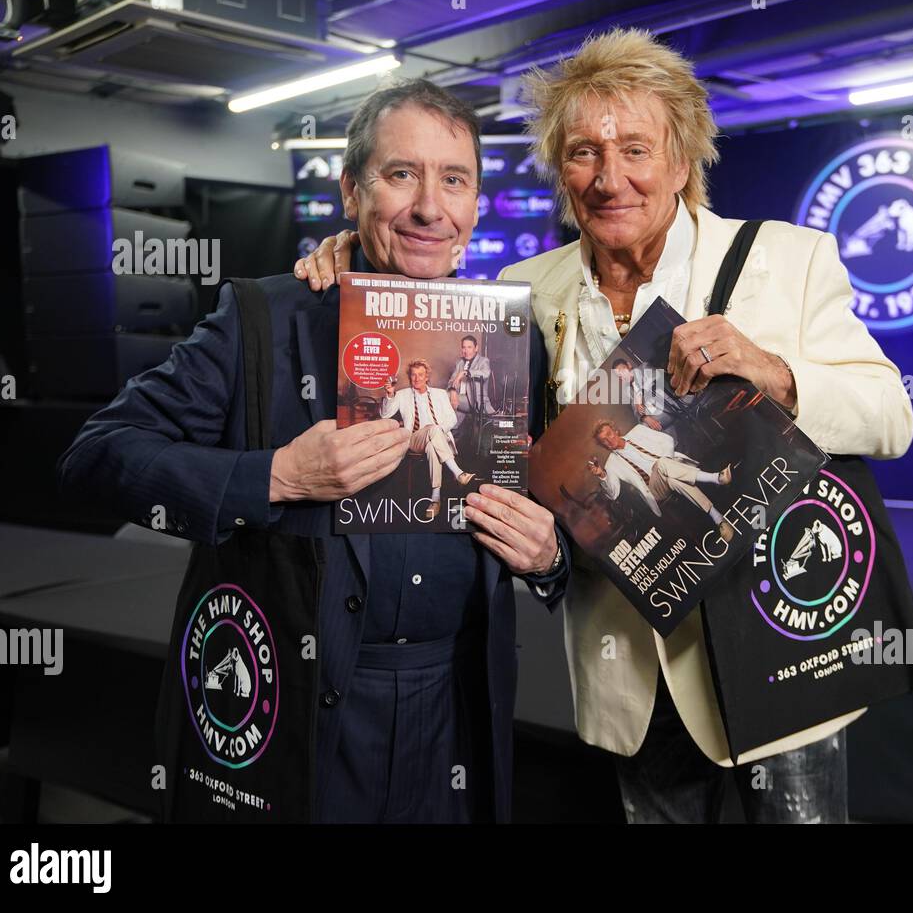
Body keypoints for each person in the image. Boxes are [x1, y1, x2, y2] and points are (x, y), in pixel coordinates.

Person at [295, 30, 913, 824]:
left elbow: (891, 414)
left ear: (683, 162)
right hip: (630, 675)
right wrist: (345, 256)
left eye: (636, 149)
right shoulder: (522, 288)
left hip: (775, 652)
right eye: (584, 152)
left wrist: (777, 374)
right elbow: (418, 287)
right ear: (560, 172)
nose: (609, 177)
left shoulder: (787, 262)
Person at [60, 78, 571, 824]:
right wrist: (274, 476)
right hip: (307, 712)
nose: (431, 206)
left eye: (454, 180)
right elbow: (96, 456)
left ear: (474, 203)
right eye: (401, 175)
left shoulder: (510, 346)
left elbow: (562, 524)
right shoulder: (263, 319)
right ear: (350, 191)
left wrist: (548, 559)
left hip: (454, 715)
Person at [589, 417, 733, 541]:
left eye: (609, 434)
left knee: (673, 478)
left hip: (672, 468)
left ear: (615, 431)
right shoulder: (611, 465)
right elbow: (613, 493)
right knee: (662, 464)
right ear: (603, 446)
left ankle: (718, 519)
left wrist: (668, 466)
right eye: (604, 441)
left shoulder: (638, 431)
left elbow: (667, 440)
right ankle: (715, 477)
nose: (609, 440)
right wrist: (602, 475)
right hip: (655, 489)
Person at [380, 357, 475, 519]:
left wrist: (437, 431)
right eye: (413, 375)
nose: (416, 378)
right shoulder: (402, 395)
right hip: (415, 439)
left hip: (437, 440)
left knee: (433, 446)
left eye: (420, 375)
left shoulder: (439, 394)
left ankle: (435, 499)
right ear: (410, 377)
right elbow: (385, 415)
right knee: (432, 431)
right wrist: (390, 395)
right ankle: (458, 472)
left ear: (427, 377)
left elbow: (452, 419)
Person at [448, 334, 495, 420]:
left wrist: (465, 372)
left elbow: (485, 373)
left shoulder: (483, 361)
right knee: (451, 425)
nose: (466, 351)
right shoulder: (460, 362)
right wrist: (453, 391)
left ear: (476, 348)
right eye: (464, 347)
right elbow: (451, 381)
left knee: (443, 396)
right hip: (460, 400)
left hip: (475, 402)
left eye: (469, 347)